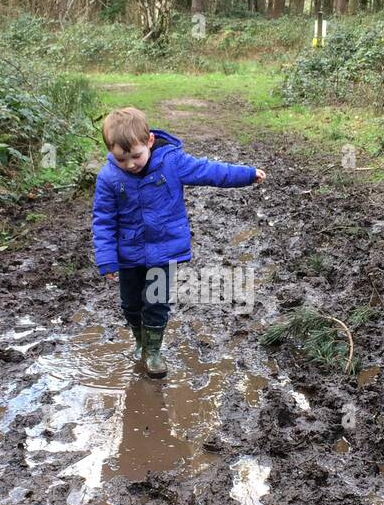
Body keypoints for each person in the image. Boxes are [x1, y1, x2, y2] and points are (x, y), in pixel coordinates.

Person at [91, 107, 265, 377]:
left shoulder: (172, 162)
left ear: (149, 141)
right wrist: (106, 259)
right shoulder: (109, 178)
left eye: (136, 156)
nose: (131, 165)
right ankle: (140, 341)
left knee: (156, 302)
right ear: (111, 153)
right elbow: (103, 221)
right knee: (131, 304)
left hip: (164, 251)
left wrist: (247, 174)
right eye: (121, 159)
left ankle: (153, 351)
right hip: (128, 254)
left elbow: (210, 171)